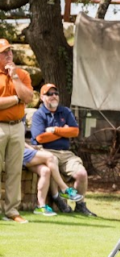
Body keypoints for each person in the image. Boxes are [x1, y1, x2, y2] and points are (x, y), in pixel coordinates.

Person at [31, 83, 97, 217]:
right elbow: (40, 138)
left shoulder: (65, 111)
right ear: (42, 97)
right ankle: (58, 199)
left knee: (82, 174)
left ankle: (80, 205)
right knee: (51, 164)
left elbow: (75, 132)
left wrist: (55, 130)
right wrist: (64, 131)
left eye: (56, 93)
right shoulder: (39, 115)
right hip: (46, 151)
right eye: (49, 94)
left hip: (66, 153)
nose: (54, 96)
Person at [0, 39, 34, 224]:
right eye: (4, 52)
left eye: (10, 52)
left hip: (17, 126)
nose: (9, 55)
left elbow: (28, 97)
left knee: (14, 171)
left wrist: (14, 78)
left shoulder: (21, 74)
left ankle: (12, 211)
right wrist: (16, 98)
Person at [23, 145, 84, 216]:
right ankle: (64, 189)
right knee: (51, 157)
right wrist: (31, 148)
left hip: (29, 153)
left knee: (45, 171)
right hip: (20, 151)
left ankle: (41, 206)